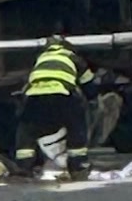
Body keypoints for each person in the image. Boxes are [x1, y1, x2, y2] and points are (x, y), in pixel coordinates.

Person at [14, 35, 90, 179]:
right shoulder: (74, 58)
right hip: (61, 95)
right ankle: (77, 166)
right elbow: (89, 84)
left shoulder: (41, 58)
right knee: (76, 125)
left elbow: (28, 83)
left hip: (34, 97)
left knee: (27, 129)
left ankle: (24, 167)